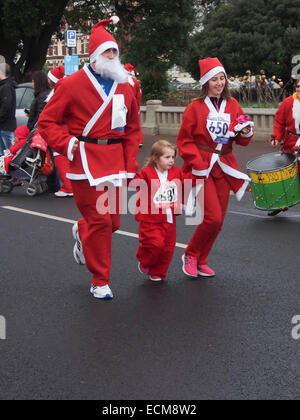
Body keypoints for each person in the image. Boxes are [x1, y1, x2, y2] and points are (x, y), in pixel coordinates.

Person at [38, 16, 142, 300]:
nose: (112, 56)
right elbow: (46, 123)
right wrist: (67, 144)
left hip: (115, 161)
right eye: (107, 51)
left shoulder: (126, 84)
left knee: (113, 223)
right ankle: (100, 280)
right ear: (95, 56)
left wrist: (131, 163)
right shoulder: (71, 84)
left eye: (115, 52)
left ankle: (81, 230)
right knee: (100, 223)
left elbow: (133, 128)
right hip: (84, 159)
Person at [177, 57, 254, 278]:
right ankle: (190, 254)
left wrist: (246, 132)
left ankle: (202, 260)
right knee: (212, 218)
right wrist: (198, 163)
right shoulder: (195, 107)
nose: (219, 83)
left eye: (222, 78)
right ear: (205, 83)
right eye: (214, 80)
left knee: (219, 221)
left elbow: (240, 139)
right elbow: (184, 141)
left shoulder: (233, 104)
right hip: (203, 167)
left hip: (224, 166)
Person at [132, 140, 183, 281]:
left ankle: (158, 272)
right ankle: (145, 260)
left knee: (168, 248)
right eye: (167, 157)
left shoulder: (177, 172)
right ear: (155, 158)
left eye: (173, 157)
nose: (171, 160)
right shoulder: (146, 172)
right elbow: (134, 182)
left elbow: (185, 185)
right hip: (150, 219)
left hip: (169, 218)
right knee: (154, 245)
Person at [269, 77, 300, 216]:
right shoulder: (288, 103)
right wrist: (276, 136)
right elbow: (280, 122)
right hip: (290, 143)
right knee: (285, 175)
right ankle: (281, 203)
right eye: (298, 86)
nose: (299, 89)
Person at [47, 65, 73, 198]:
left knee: (60, 159)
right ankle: (69, 186)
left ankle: (68, 187)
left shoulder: (57, 93)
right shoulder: (64, 91)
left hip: (60, 129)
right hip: (66, 128)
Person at [124, 63, 143, 148]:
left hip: (124, 106)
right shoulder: (135, 81)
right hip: (134, 105)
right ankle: (138, 140)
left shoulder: (121, 80)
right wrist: (138, 107)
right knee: (135, 124)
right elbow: (138, 95)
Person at [0, 63, 17, 155]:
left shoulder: (6, 87)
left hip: (6, 127)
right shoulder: (5, 86)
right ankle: (3, 169)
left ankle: (8, 170)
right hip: (4, 127)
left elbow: (6, 106)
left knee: (9, 154)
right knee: (3, 156)